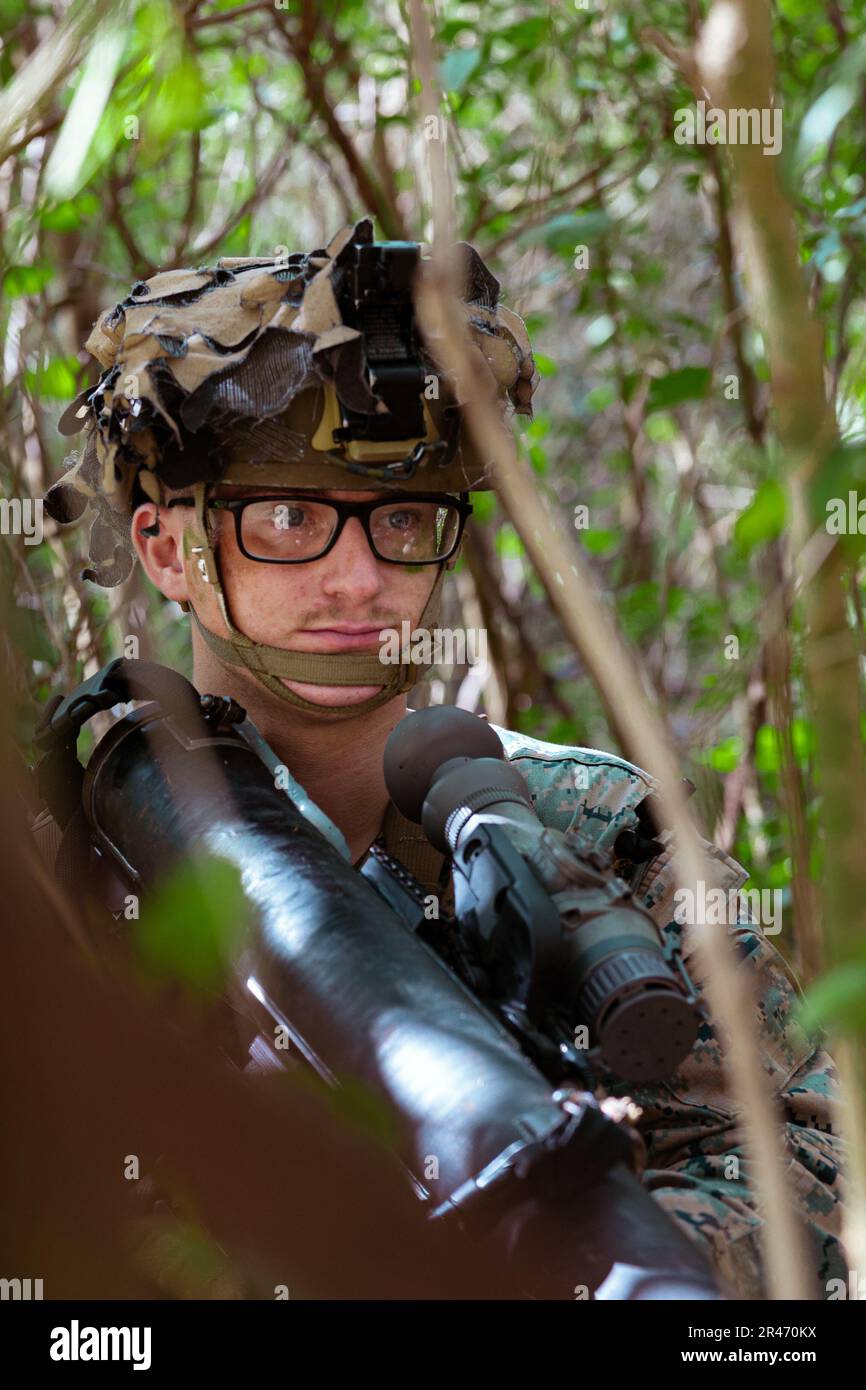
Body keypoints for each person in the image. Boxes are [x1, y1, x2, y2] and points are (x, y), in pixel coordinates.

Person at [37, 218, 845, 1300]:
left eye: (404, 520)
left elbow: (800, 1158)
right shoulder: (49, 869)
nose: (358, 581)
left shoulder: (592, 824)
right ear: (166, 549)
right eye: (288, 518)